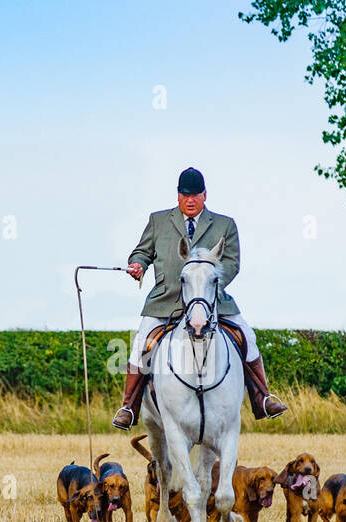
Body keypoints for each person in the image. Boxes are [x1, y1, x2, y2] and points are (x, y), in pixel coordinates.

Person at [112, 167, 287, 429]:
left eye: (195, 195)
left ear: (205, 195)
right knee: (140, 345)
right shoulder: (158, 221)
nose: (190, 200)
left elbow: (232, 263)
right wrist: (138, 264)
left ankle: (262, 398)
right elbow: (142, 252)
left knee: (248, 337)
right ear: (178, 195)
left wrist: (206, 288)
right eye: (185, 195)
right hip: (166, 300)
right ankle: (128, 407)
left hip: (211, 301)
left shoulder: (225, 225)